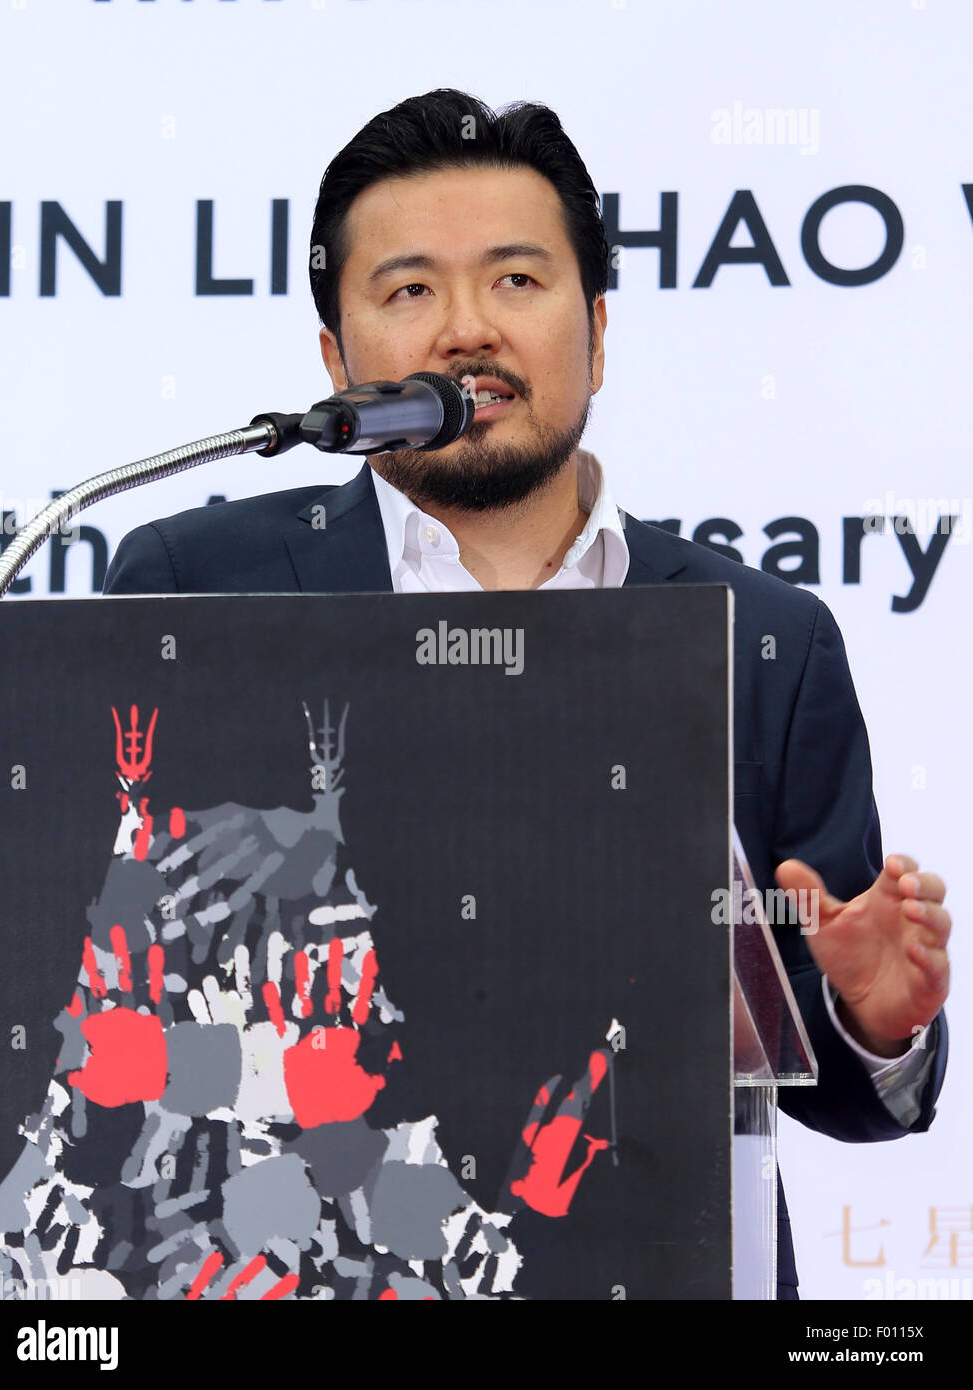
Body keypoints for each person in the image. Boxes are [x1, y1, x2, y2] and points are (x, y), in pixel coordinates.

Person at [103, 89, 950, 1299]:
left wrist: (872, 1018)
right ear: (338, 363)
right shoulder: (196, 590)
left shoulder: (768, 638)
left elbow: (851, 1090)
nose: (464, 333)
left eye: (515, 282)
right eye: (408, 292)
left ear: (597, 333)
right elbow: (117, 956)